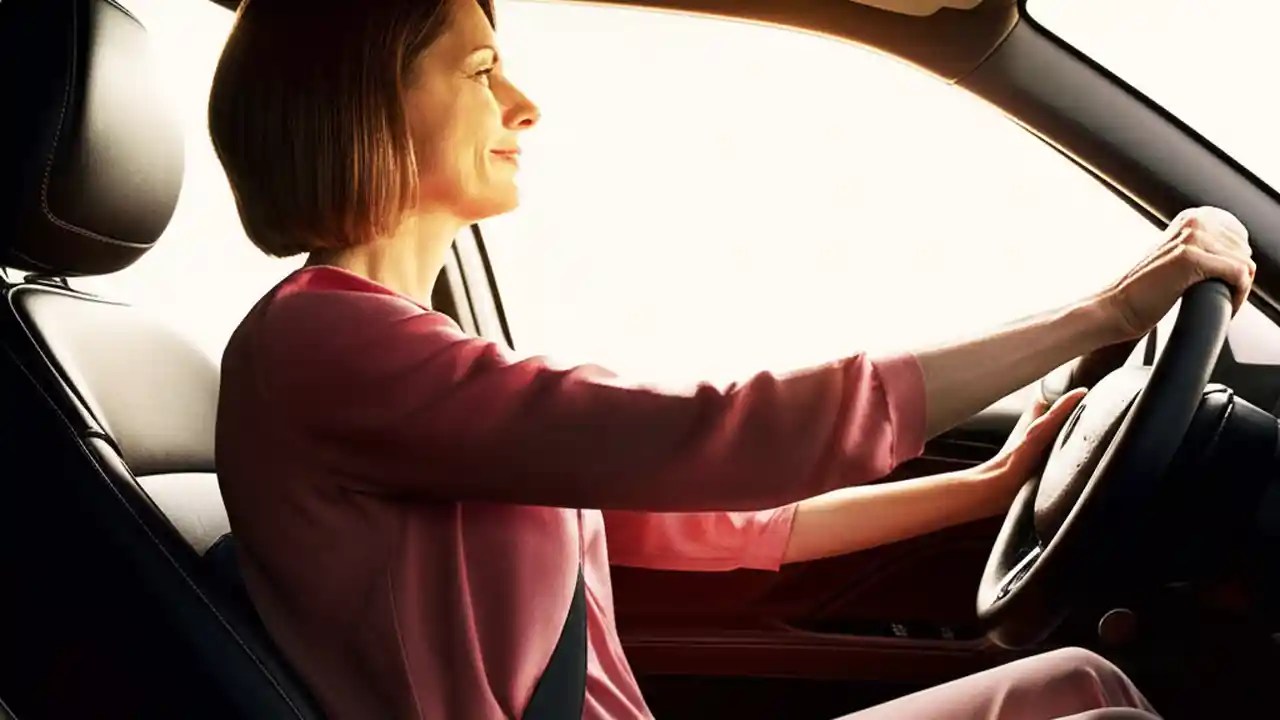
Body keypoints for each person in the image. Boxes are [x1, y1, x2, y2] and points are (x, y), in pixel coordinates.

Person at [208, 0, 1256, 718]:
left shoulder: (402, 355)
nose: (522, 105)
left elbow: (708, 523)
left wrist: (986, 487)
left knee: (1070, 685)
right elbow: (711, 439)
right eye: (482, 71)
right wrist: (1105, 311)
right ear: (360, 105)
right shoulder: (323, 342)